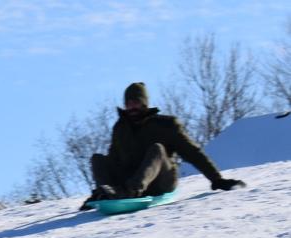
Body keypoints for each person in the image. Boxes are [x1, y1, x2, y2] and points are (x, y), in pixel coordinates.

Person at [81, 82, 246, 210]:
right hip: (128, 180)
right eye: (128, 103)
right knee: (98, 159)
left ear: (144, 103)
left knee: (157, 149)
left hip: (161, 182)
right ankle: (105, 192)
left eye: (136, 102)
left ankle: (130, 191)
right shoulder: (120, 128)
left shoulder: (166, 125)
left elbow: (192, 153)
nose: (131, 107)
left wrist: (216, 179)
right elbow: (113, 159)